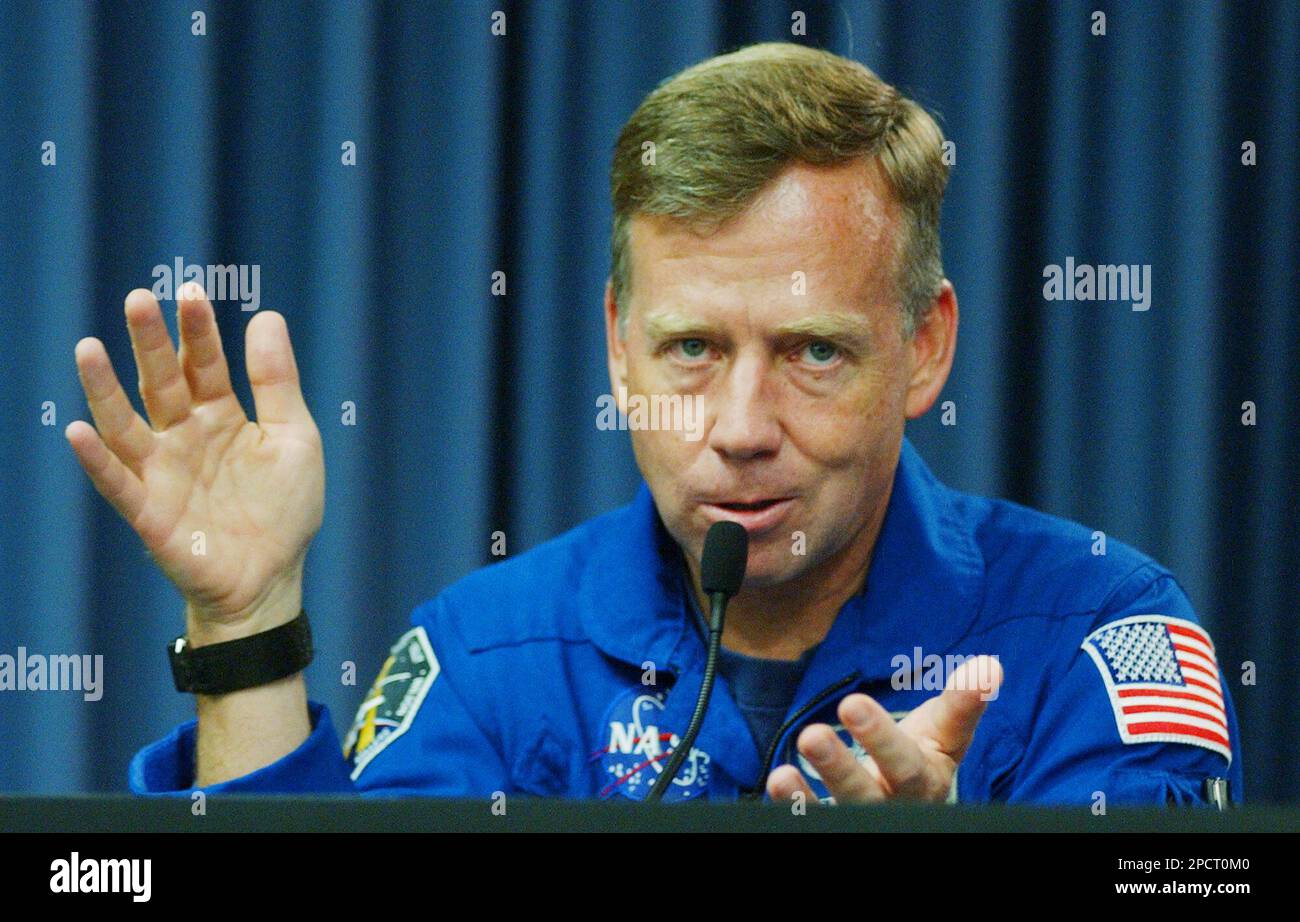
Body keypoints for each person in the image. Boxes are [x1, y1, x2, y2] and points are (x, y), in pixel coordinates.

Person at [67, 43, 1241, 806]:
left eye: (812, 352)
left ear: (924, 347)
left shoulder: (1104, 631)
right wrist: (247, 623)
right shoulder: (488, 654)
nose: (739, 427)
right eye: (692, 349)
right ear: (618, 348)